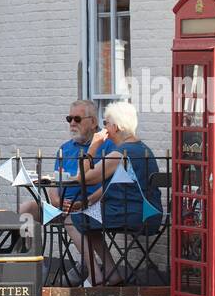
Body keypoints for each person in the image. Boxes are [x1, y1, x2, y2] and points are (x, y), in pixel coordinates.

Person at [69, 100, 163, 284]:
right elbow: (112, 186)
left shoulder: (120, 154)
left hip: (130, 215)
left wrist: (93, 146)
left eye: (106, 123)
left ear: (117, 127)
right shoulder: (144, 149)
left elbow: (82, 177)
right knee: (88, 217)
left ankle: (95, 276)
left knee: (74, 218)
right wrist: (87, 201)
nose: (104, 128)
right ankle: (112, 273)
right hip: (150, 215)